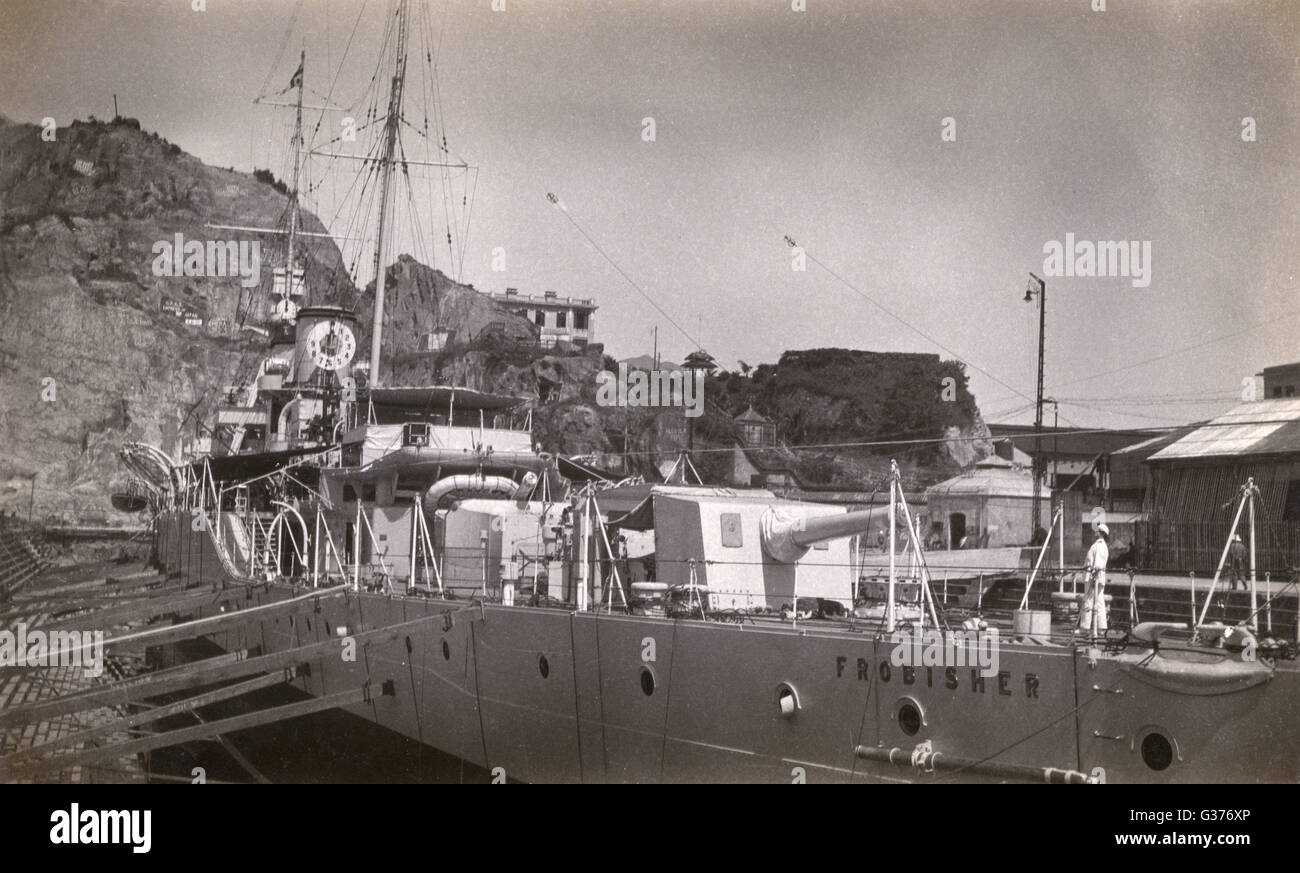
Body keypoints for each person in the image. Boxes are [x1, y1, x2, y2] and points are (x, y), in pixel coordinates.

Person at [1078, 524, 1110, 636]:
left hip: (1093, 577)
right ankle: (1101, 627)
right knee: (1099, 602)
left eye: (1097, 531)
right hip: (1096, 577)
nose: (1095, 532)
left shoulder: (1099, 545)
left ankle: (1085, 627)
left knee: (1088, 601)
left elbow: (1097, 564)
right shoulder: (1100, 545)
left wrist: (1093, 578)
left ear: (1101, 533)